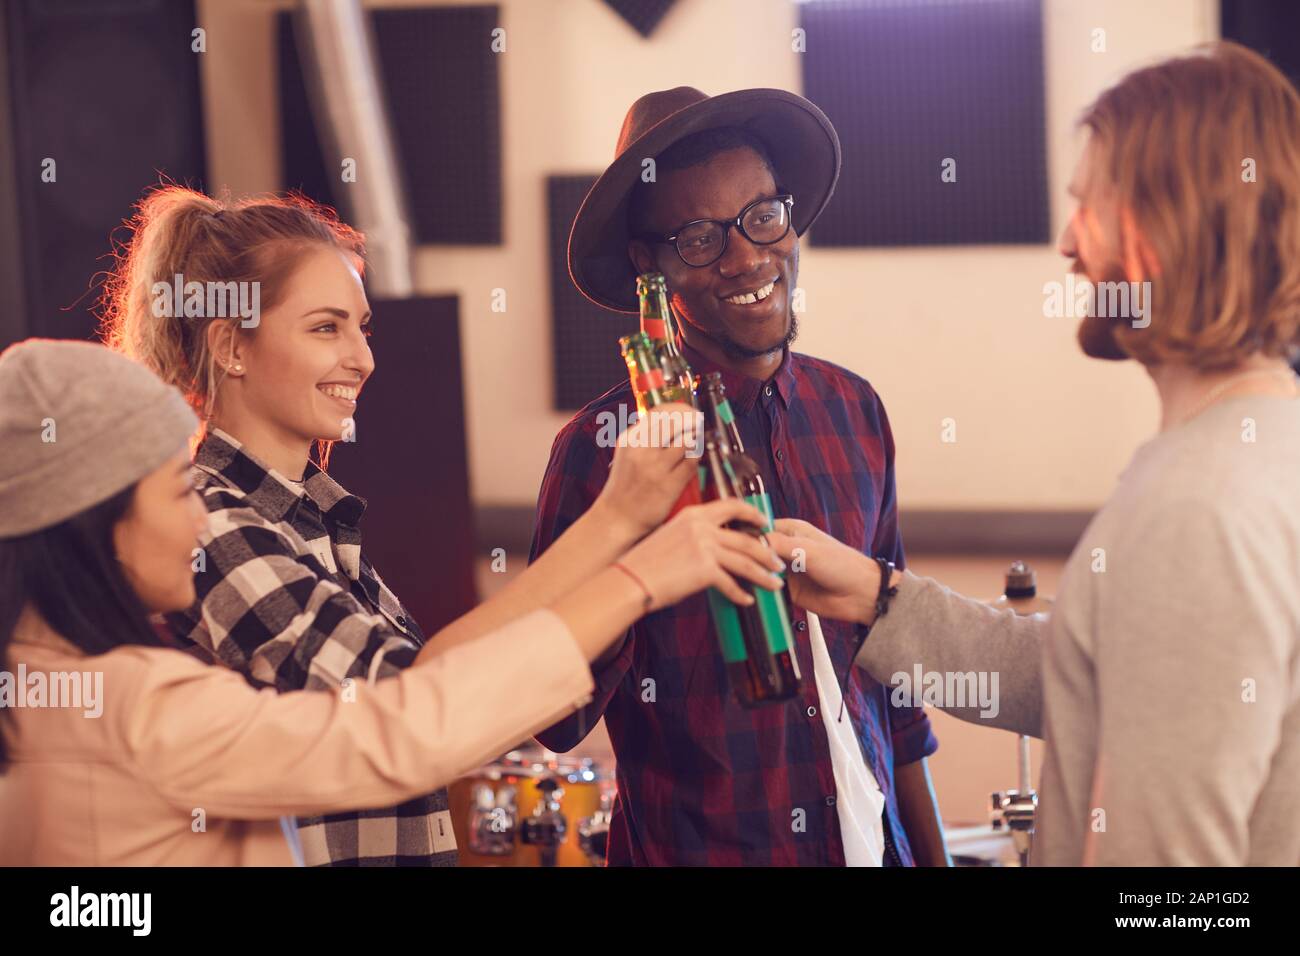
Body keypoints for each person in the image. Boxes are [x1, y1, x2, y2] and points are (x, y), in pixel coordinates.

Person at [98, 186, 780, 865]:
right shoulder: (214, 524)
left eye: (362, 328)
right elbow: (408, 710)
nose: (362, 358)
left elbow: (445, 694)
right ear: (231, 347)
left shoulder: (312, 520)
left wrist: (619, 524)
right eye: (325, 327)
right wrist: (621, 538)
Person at [766, 41, 1300, 866]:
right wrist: (879, 598)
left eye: (1089, 207)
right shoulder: (1257, 451)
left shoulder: (1196, 510)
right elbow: (1106, 681)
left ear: (1163, 229)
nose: (1066, 243)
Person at [0, 339, 781, 865]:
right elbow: (396, 727)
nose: (200, 516)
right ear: (96, 519)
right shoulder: (136, 708)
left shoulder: (44, 688)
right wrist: (638, 576)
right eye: (176, 490)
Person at [530, 87, 947, 866]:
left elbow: (894, 681)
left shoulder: (854, 409)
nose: (748, 257)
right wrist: (634, 543)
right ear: (647, 264)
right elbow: (554, 715)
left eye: (762, 217)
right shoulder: (600, 448)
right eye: (698, 237)